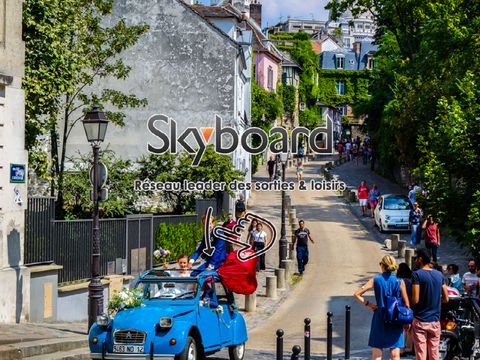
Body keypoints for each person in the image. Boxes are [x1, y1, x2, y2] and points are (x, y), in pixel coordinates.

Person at [354, 255, 410, 360]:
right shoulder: (400, 281)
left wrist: (369, 304)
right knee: (395, 353)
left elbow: (356, 294)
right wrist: (406, 322)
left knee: (377, 353)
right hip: (396, 318)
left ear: (382, 266)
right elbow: (407, 304)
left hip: (380, 317)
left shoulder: (375, 280)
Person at [411, 248, 449, 360]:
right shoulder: (439, 275)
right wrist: (436, 301)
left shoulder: (416, 275)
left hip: (420, 320)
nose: (416, 260)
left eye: (417, 258)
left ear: (420, 259)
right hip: (435, 321)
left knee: (421, 354)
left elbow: (416, 300)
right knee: (434, 353)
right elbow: (446, 298)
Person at [397, 263, 414, 357]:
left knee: (402, 329)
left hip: (402, 306)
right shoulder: (410, 281)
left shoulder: (400, 281)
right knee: (410, 329)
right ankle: (411, 348)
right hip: (410, 306)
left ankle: (402, 350)